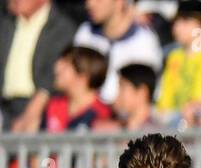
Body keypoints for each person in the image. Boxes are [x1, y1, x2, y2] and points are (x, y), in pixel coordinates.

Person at [0, 0, 79, 132]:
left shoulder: (62, 27)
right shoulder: (6, 23)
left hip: (41, 108)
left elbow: (54, 73)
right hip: (4, 106)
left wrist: (32, 113)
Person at [72, 0, 163, 104]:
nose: (89, 4)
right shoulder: (85, 32)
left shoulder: (144, 40)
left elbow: (148, 97)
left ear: (119, 2)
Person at [156, 0, 201, 114]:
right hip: (170, 123)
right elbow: (165, 94)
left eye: (185, 21)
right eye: (176, 21)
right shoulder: (174, 56)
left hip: (195, 121)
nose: (177, 27)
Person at [42, 45, 113, 131]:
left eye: (66, 64)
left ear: (83, 76)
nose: (57, 67)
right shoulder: (53, 105)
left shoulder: (104, 115)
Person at [107, 62, 160, 130]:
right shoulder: (115, 123)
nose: (118, 93)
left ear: (142, 92)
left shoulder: (159, 132)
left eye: (122, 87)